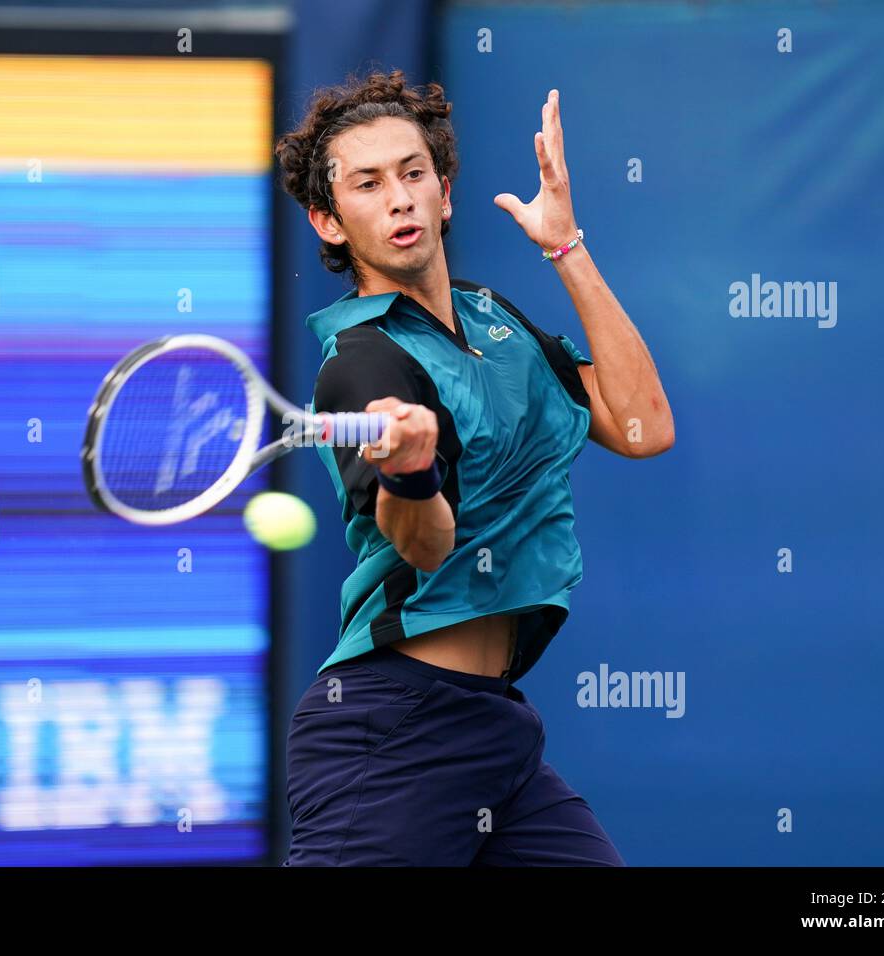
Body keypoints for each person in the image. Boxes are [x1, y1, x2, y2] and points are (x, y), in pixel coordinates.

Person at [274, 69, 674, 865]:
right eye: (368, 183)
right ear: (327, 221)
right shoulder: (361, 365)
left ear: (444, 193)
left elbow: (642, 427)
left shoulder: (494, 318)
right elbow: (423, 546)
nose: (399, 198)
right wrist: (411, 472)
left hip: (496, 729)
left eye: (413, 173)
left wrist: (565, 246)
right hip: (389, 735)